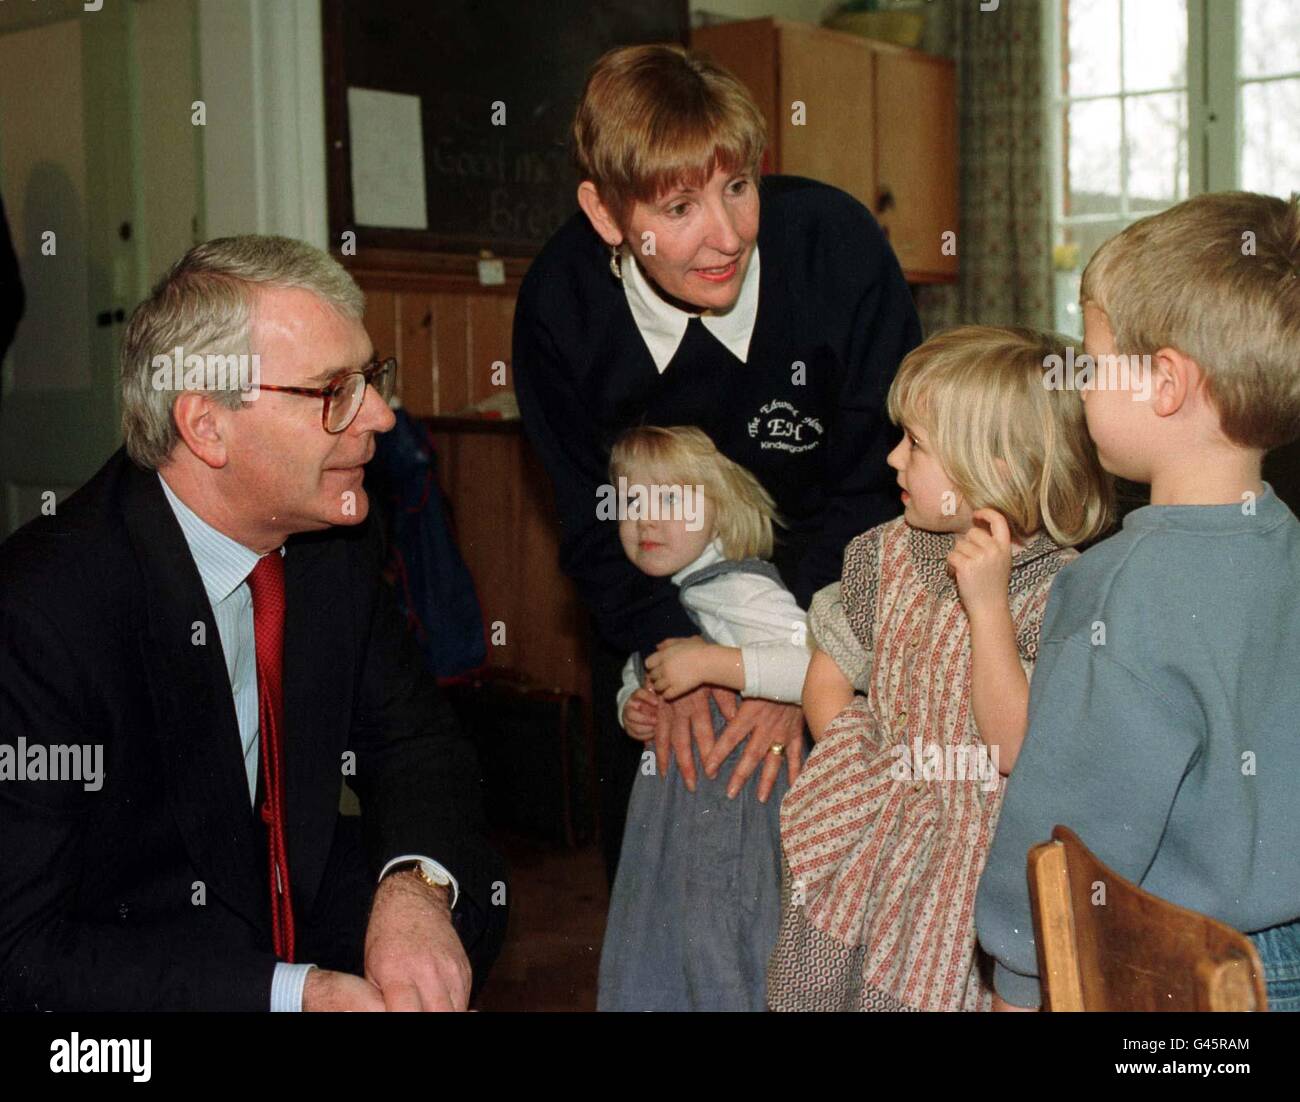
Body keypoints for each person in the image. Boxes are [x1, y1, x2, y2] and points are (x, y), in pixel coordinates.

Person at [0, 235, 506, 1011]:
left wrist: (416, 890)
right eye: (334, 390)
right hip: (128, 951)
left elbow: (414, 741)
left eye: (371, 377)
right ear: (207, 427)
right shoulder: (41, 613)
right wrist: (293, 995)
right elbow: (21, 951)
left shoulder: (334, 531)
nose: (379, 413)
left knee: (470, 907)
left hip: (275, 879)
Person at [513, 44, 920, 883]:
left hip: (838, 618)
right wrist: (674, 657)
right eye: (680, 206)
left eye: (739, 187)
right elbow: (592, 524)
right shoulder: (561, 308)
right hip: (652, 623)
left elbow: (878, 490)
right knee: (665, 882)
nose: (727, 236)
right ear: (606, 214)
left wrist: (796, 670)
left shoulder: (839, 251)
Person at [976, 192, 1300, 1012]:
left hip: (1171, 968)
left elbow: (1072, 824)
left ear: (1164, 384)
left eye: (1091, 359)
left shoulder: (1121, 585)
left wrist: (1019, 970)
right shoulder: (1285, 542)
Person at [767, 326, 1113, 1011]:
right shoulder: (881, 554)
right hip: (872, 822)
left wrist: (987, 607)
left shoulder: (1064, 589)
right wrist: (863, 770)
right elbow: (832, 671)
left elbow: (1011, 743)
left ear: (996, 467)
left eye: (916, 445)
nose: (892, 458)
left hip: (975, 854)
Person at [596, 426, 810, 1010]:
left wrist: (716, 662)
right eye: (631, 504)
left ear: (719, 512)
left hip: (738, 812)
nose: (646, 521)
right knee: (669, 933)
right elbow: (634, 677)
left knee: (725, 941)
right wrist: (632, 709)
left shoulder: (738, 588)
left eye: (671, 502)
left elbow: (816, 665)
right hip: (677, 814)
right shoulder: (665, 594)